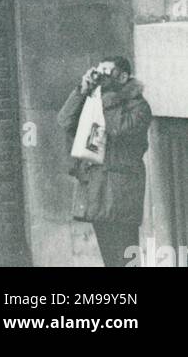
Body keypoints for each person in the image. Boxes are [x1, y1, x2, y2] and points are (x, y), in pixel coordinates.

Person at [58, 56, 151, 268]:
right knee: (110, 260)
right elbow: (64, 120)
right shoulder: (96, 102)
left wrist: (108, 95)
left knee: (127, 260)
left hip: (121, 192)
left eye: (108, 73)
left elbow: (118, 128)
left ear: (124, 76)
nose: (103, 79)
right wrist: (82, 90)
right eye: (100, 73)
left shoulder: (139, 106)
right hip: (98, 189)